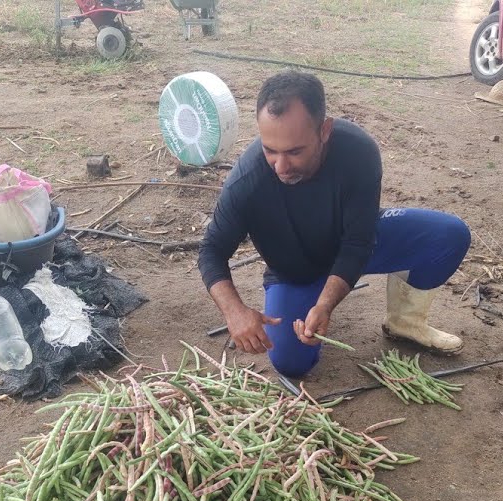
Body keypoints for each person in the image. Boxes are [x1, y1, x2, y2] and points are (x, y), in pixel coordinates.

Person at [197, 71, 472, 378]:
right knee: (290, 362)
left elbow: (358, 243)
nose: (281, 167)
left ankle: (404, 322)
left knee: (448, 235)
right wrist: (235, 312)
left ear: (324, 130)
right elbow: (211, 250)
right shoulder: (247, 181)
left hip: (357, 242)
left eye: (295, 151)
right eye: (269, 150)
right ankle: (308, 299)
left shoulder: (358, 151)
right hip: (296, 272)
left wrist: (325, 304)